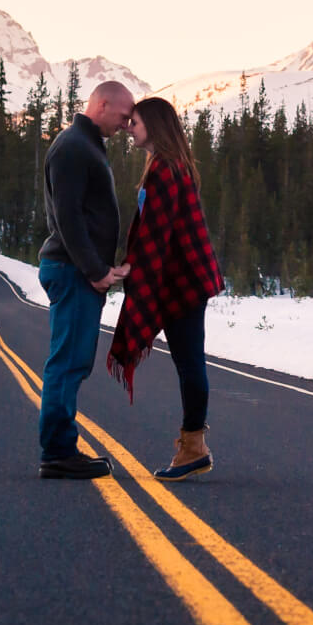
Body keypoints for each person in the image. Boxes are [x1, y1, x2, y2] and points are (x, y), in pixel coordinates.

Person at [108, 95, 224, 481]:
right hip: (184, 278)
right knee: (188, 362)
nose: (129, 129)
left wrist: (133, 267)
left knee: (189, 363)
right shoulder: (168, 164)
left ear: (154, 126)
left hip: (183, 281)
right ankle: (194, 445)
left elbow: (157, 233)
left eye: (135, 123)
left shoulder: (165, 169)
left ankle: (194, 448)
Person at [37, 81, 134, 480]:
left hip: (76, 271)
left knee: (73, 361)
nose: (126, 125)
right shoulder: (74, 147)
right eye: (123, 116)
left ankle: (60, 448)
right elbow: (69, 217)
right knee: (68, 362)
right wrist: (95, 271)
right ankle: (58, 452)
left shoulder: (84, 144)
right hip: (73, 271)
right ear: (103, 104)